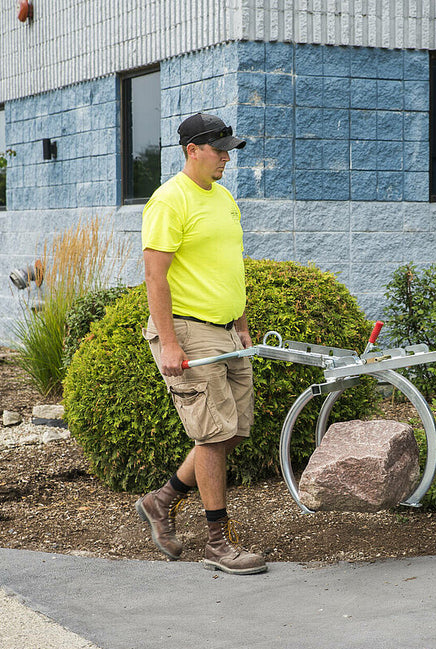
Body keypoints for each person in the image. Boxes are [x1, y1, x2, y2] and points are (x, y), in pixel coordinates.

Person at [135, 112, 267, 575]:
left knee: (234, 432)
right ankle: (217, 542)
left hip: (227, 329)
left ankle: (162, 499)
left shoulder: (225, 198)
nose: (227, 158)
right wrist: (169, 343)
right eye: (219, 150)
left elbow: (230, 265)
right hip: (189, 330)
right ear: (192, 151)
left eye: (229, 150)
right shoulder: (169, 201)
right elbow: (155, 277)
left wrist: (241, 323)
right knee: (212, 436)